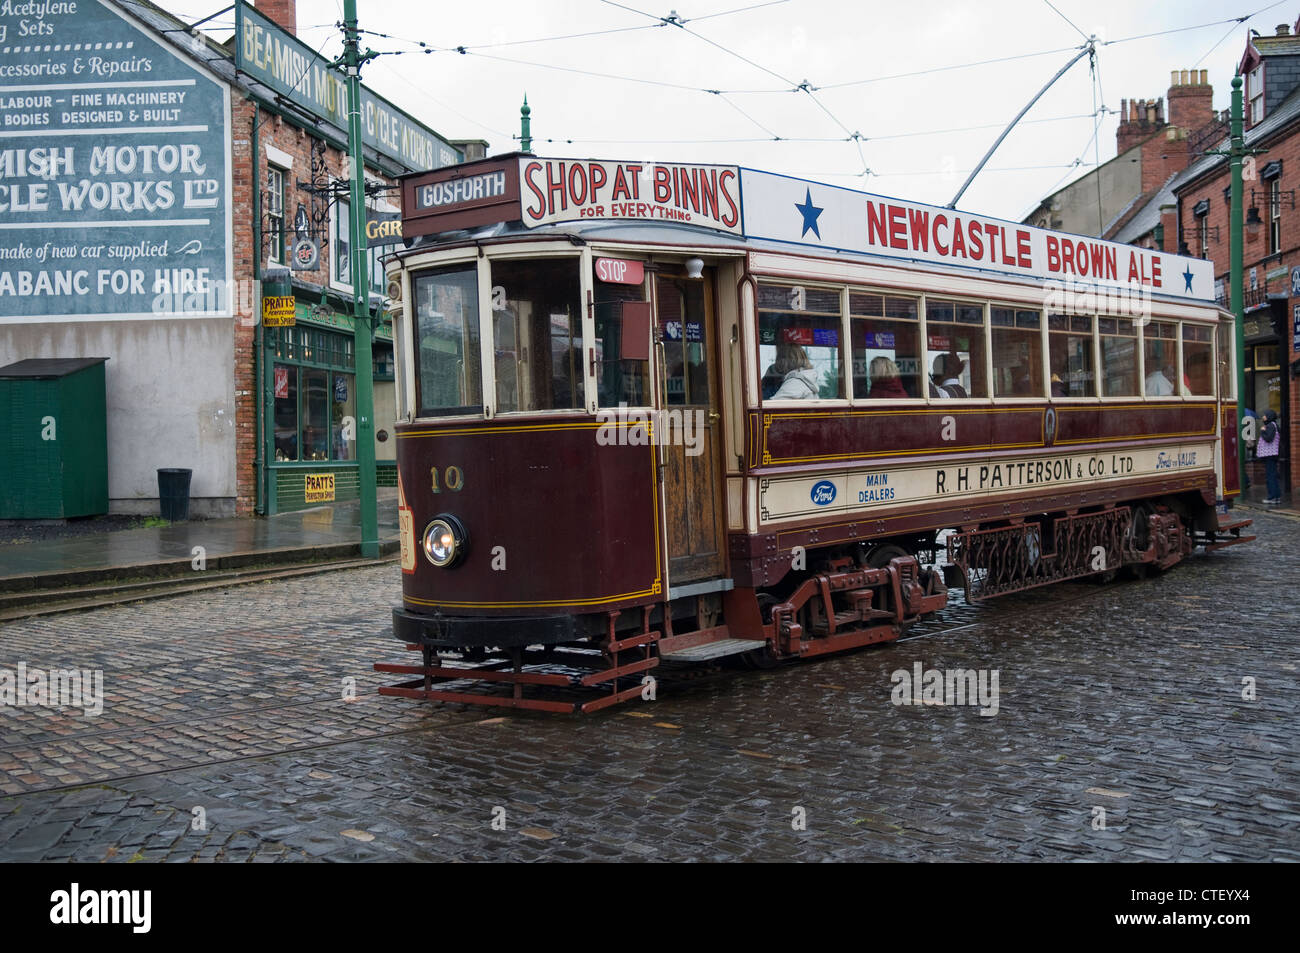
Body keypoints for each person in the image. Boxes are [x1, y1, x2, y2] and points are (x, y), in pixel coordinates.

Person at [1258, 408, 1282, 504]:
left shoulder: (1270, 426)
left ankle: (1271, 497)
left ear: (1269, 416)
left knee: (1270, 476)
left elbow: (1268, 438)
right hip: (1272, 454)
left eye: (1265, 414)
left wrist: (1263, 431)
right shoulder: (1274, 425)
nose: (1263, 416)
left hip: (1270, 454)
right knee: (1273, 475)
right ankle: (1276, 496)